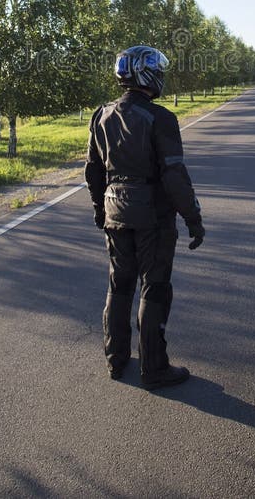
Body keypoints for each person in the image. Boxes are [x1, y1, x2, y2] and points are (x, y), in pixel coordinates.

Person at [85, 45, 205, 389]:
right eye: (157, 69)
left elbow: (93, 171)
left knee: (119, 284)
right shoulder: (161, 118)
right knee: (155, 288)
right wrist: (193, 218)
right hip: (153, 216)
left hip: (114, 210)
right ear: (144, 73)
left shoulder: (101, 115)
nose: (161, 75)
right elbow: (174, 176)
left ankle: (115, 358)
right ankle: (154, 368)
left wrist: (99, 209)